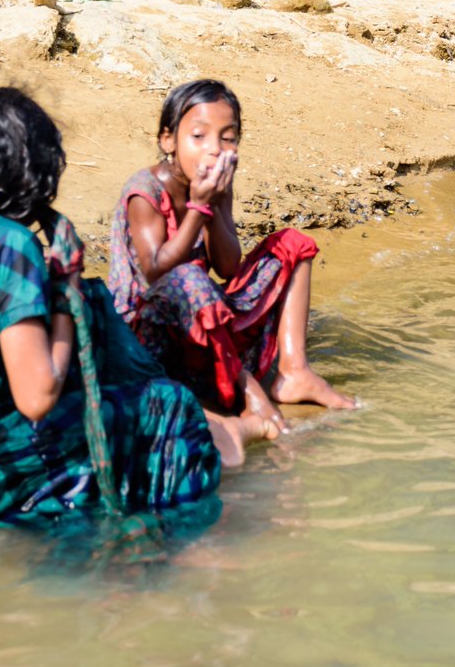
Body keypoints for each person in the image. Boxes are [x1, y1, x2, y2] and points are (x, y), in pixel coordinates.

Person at [0, 87, 272, 553]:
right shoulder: (8, 245)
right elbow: (36, 399)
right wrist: (65, 295)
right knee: (168, 406)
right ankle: (170, 552)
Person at [107, 79, 357, 431]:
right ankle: (241, 385)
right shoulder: (144, 192)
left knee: (291, 245)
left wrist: (212, 206)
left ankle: (294, 371)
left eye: (228, 137)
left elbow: (227, 267)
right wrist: (197, 208)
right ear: (168, 140)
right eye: (199, 136)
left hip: (203, 316)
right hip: (147, 334)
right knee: (189, 278)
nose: (214, 149)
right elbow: (156, 273)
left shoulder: (216, 184)